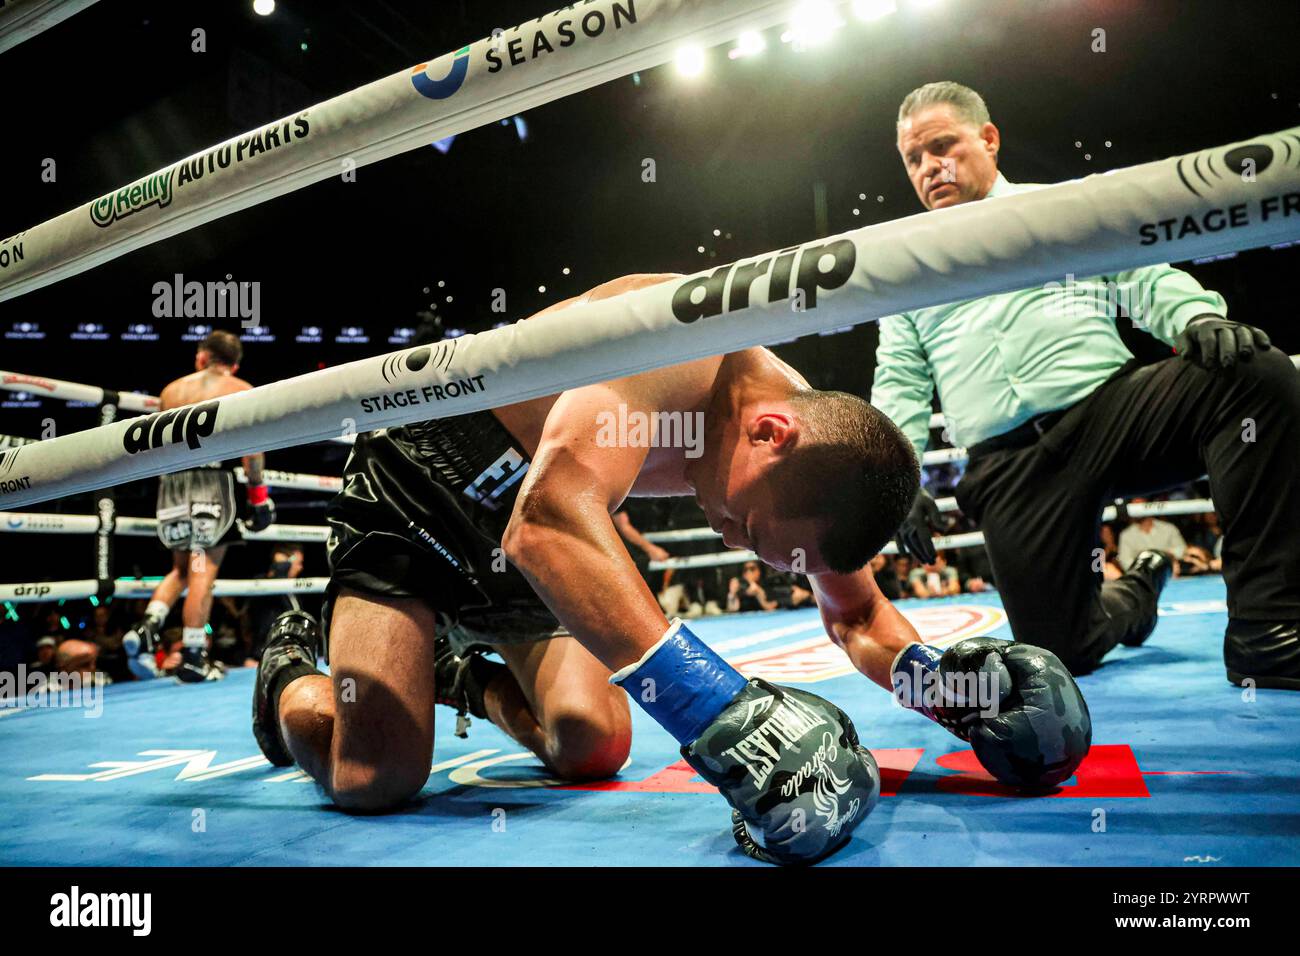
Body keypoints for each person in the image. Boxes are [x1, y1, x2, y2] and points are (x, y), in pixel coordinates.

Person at [252, 273, 901, 864]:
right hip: (418, 486)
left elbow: (860, 613)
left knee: (590, 745)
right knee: (373, 779)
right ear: (770, 434)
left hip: (522, 511)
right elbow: (547, 524)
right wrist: (715, 710)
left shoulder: (817, 454)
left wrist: (960, 696)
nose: (732, 540)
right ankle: (283, 666)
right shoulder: (672, 338)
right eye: (748, 527)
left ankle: (458, 676)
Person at [876, 81, 1300, 687]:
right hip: (1009, 464)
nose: (928, 167)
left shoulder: (1061, 208)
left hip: (1113, 415)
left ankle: (1270, 627)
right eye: (913, 158)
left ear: (989, 139)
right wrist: (898, 475)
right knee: (1061, 651)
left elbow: (1142, 275)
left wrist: (1195, 317)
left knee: (1253, 373)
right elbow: (900, 383)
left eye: (942, 145)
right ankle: (1132, 597)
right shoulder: (903, 262)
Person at [122, 331, 277, 682]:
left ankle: (148, 626)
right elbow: (252, 448)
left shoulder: (169, 391)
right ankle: (193, 656)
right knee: (203, 568)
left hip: (171, 483)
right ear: (233, 363)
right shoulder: (240, 389)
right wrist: (257, 496)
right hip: (212, 483)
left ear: (202, 357)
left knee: (181, 568)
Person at [1117, 500, 1187, 571]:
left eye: (1139, 506)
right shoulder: (1126, 535)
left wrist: (1165, 555)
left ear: (1149, 506)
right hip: (1141, 576)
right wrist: (1145, 569)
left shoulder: (1168, 528)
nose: (1136, 510)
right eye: (1134, 507)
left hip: (1170, 571)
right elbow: (1125, 561)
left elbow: (1181, 549)